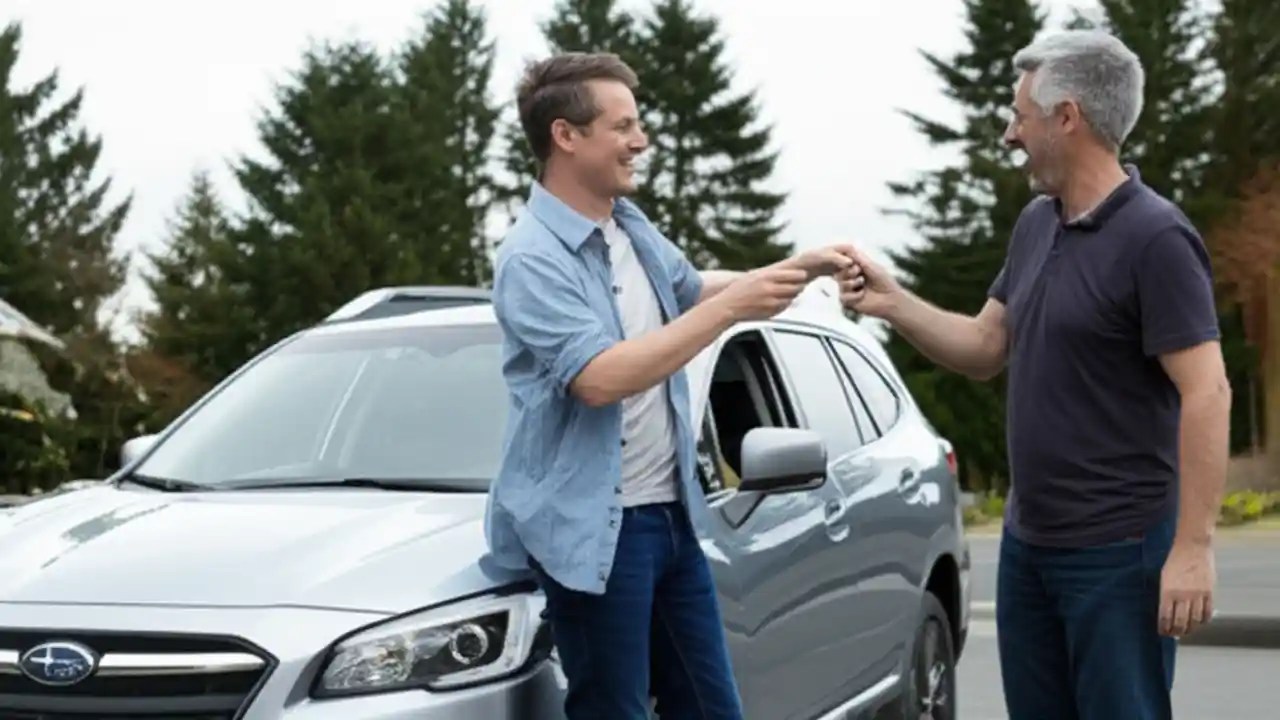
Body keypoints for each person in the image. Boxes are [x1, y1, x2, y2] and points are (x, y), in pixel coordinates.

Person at [839, 30, 1230, 720]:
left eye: (1020, 115)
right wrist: (891, 302)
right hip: (1030, 547)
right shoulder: (1035, 224)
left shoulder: (1156, 237)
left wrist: (1193, 549)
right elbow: (987, 345)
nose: (1009, 132)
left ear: (1067, 117)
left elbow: (1208, 392)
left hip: (1118, 552)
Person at [485, 51, 855, 719]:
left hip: (671, 517)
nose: (641, 141)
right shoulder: (531, 259)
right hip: (599, 534)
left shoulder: (627, 224)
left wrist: (793, 270)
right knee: (614, 711)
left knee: (712, 710)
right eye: (623, 126)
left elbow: (689, 291)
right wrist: (731, 310)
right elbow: (599, 378)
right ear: (566, 136)